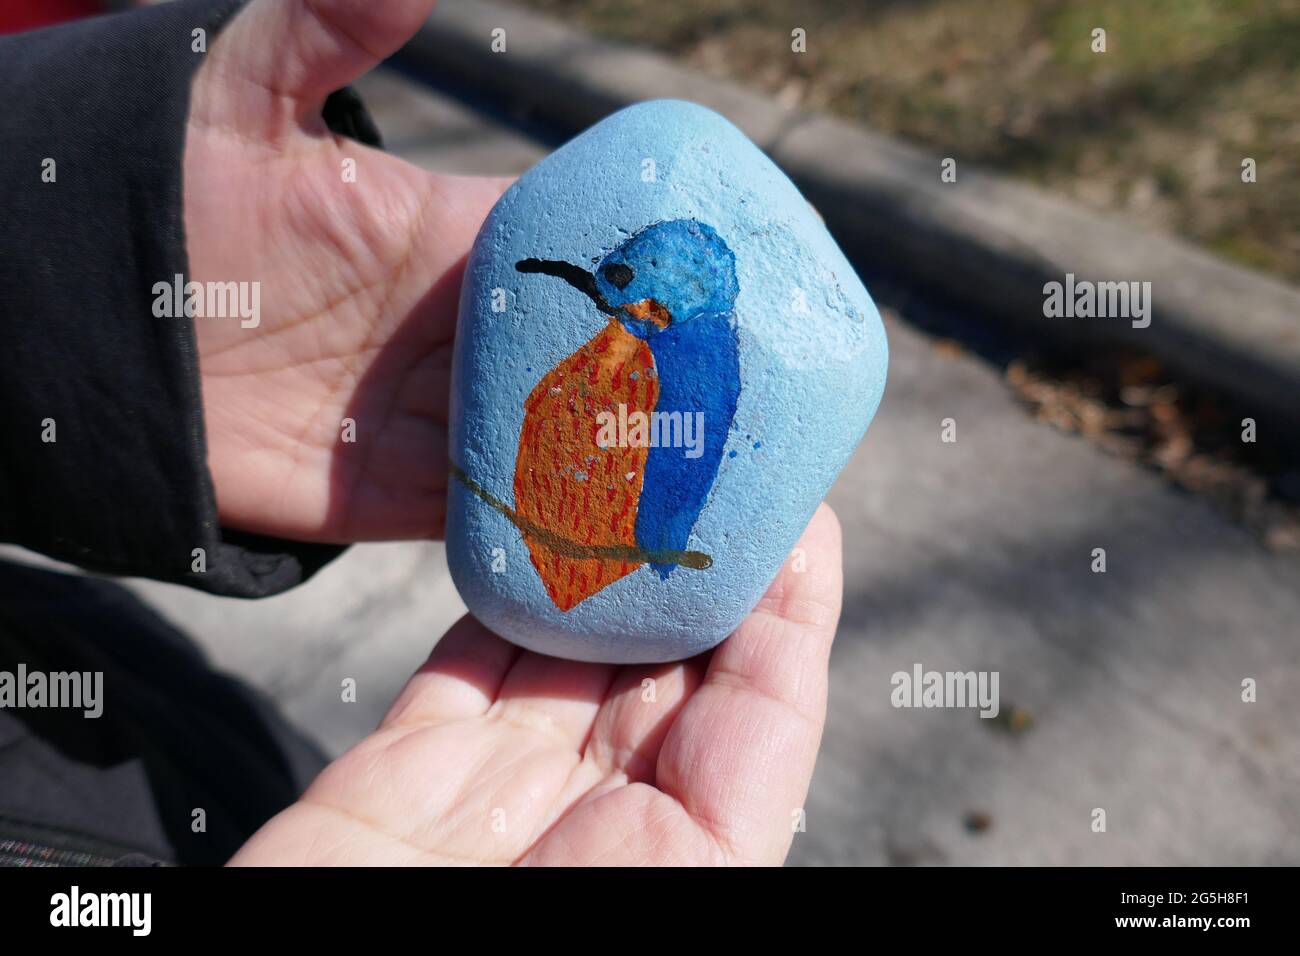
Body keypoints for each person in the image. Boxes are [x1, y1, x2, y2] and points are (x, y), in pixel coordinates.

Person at [0, 0, 843, 866]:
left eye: (641, 301)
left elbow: (678, 459)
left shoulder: (679, 357)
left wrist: (82, 277)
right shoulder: (626, 355)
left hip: (164, 736)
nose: (626, 314)